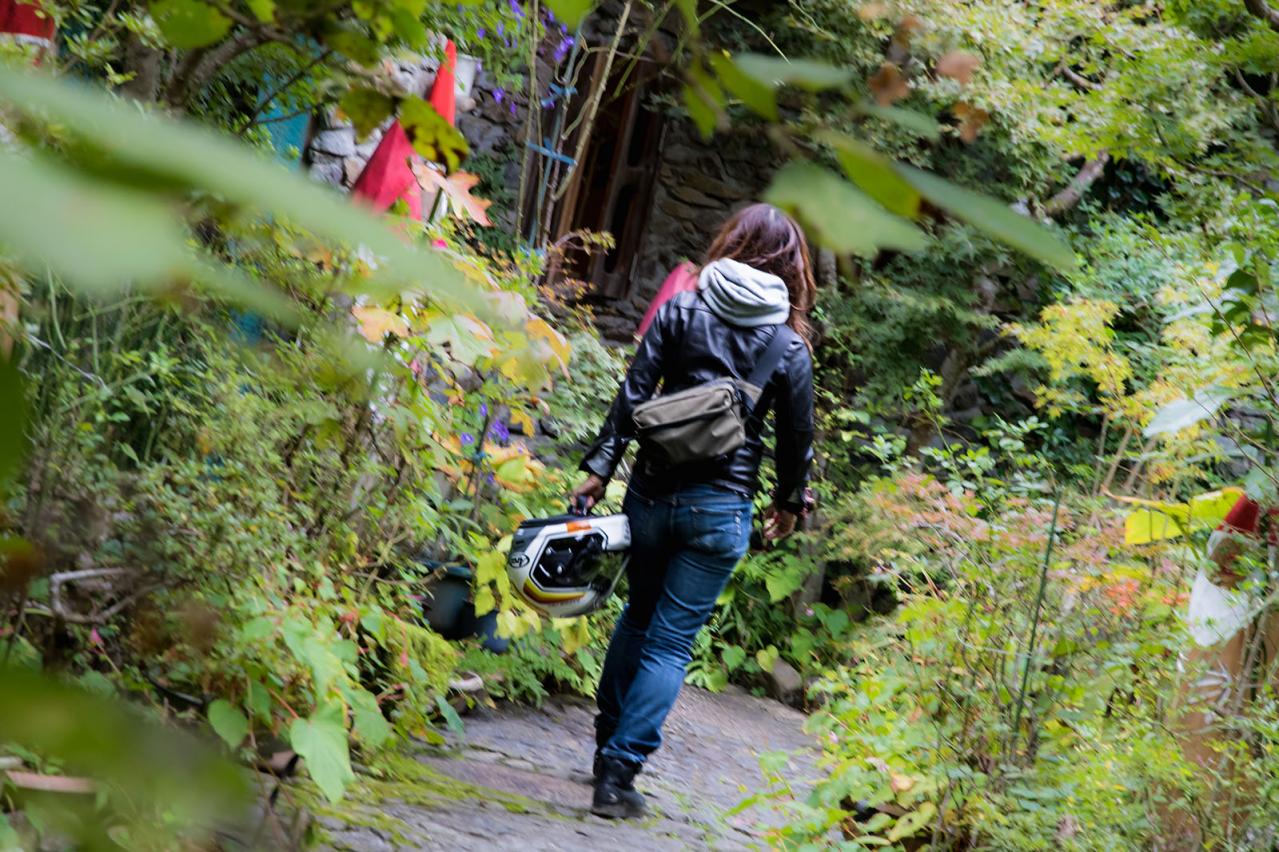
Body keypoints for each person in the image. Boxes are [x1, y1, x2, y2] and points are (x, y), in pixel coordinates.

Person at [570, 203, 817, 819]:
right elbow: (796, 441)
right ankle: (619, 776)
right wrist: (790, 504)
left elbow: (633, 393)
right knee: (671, 644)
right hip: (720, 507)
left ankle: (605, 749)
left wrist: (600, 468)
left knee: (637, 618)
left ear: (731, 244)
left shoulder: (682, 309)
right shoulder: (787, 345)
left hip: (650, 494)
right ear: (792, 268)